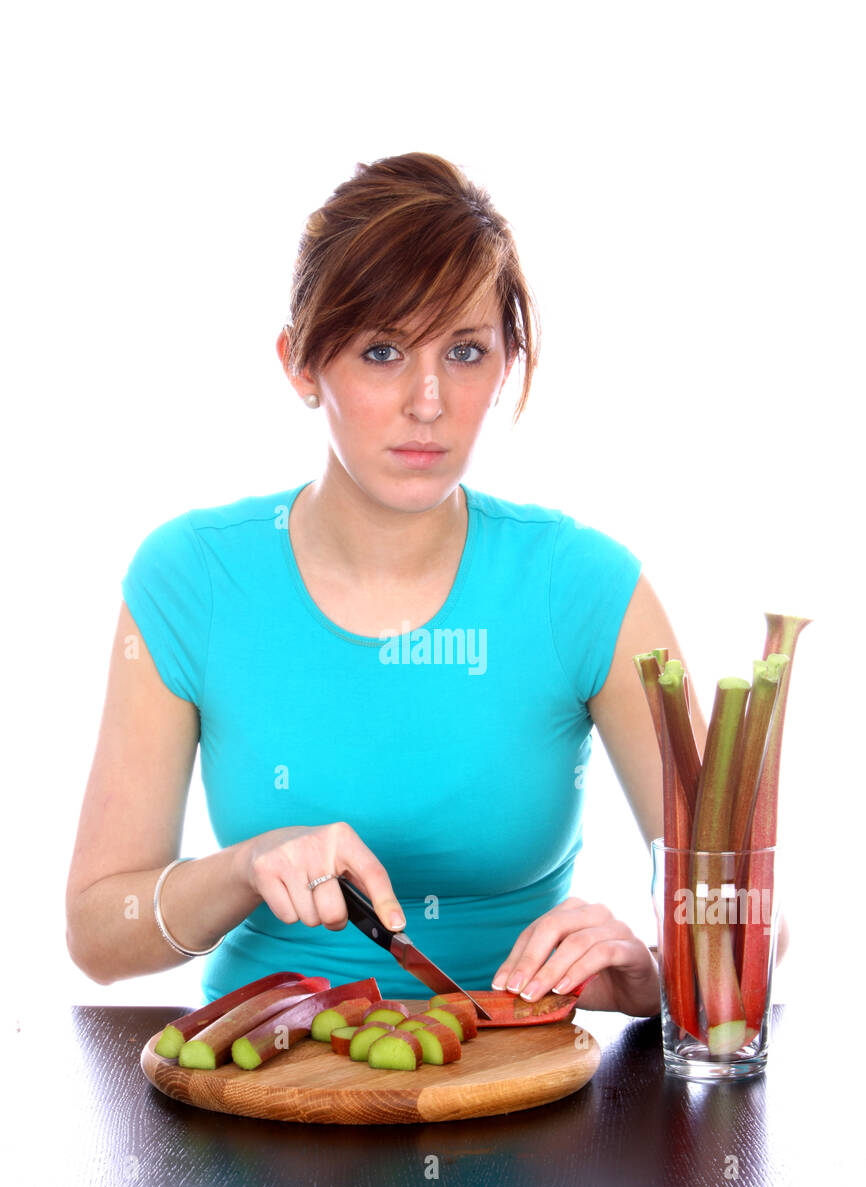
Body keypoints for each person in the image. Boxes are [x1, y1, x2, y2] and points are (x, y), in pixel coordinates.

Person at [65, 151, 787, 1016]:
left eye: (467, 350)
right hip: (265, 1087)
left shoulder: (588, 587)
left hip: (520, 1083)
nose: (430, 400)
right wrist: (243, 866)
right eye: (382, 350)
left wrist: (649, 970)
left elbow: (743, 907)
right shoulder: (191, 577)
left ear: (507, 362)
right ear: (300, 365)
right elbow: (97, 934)